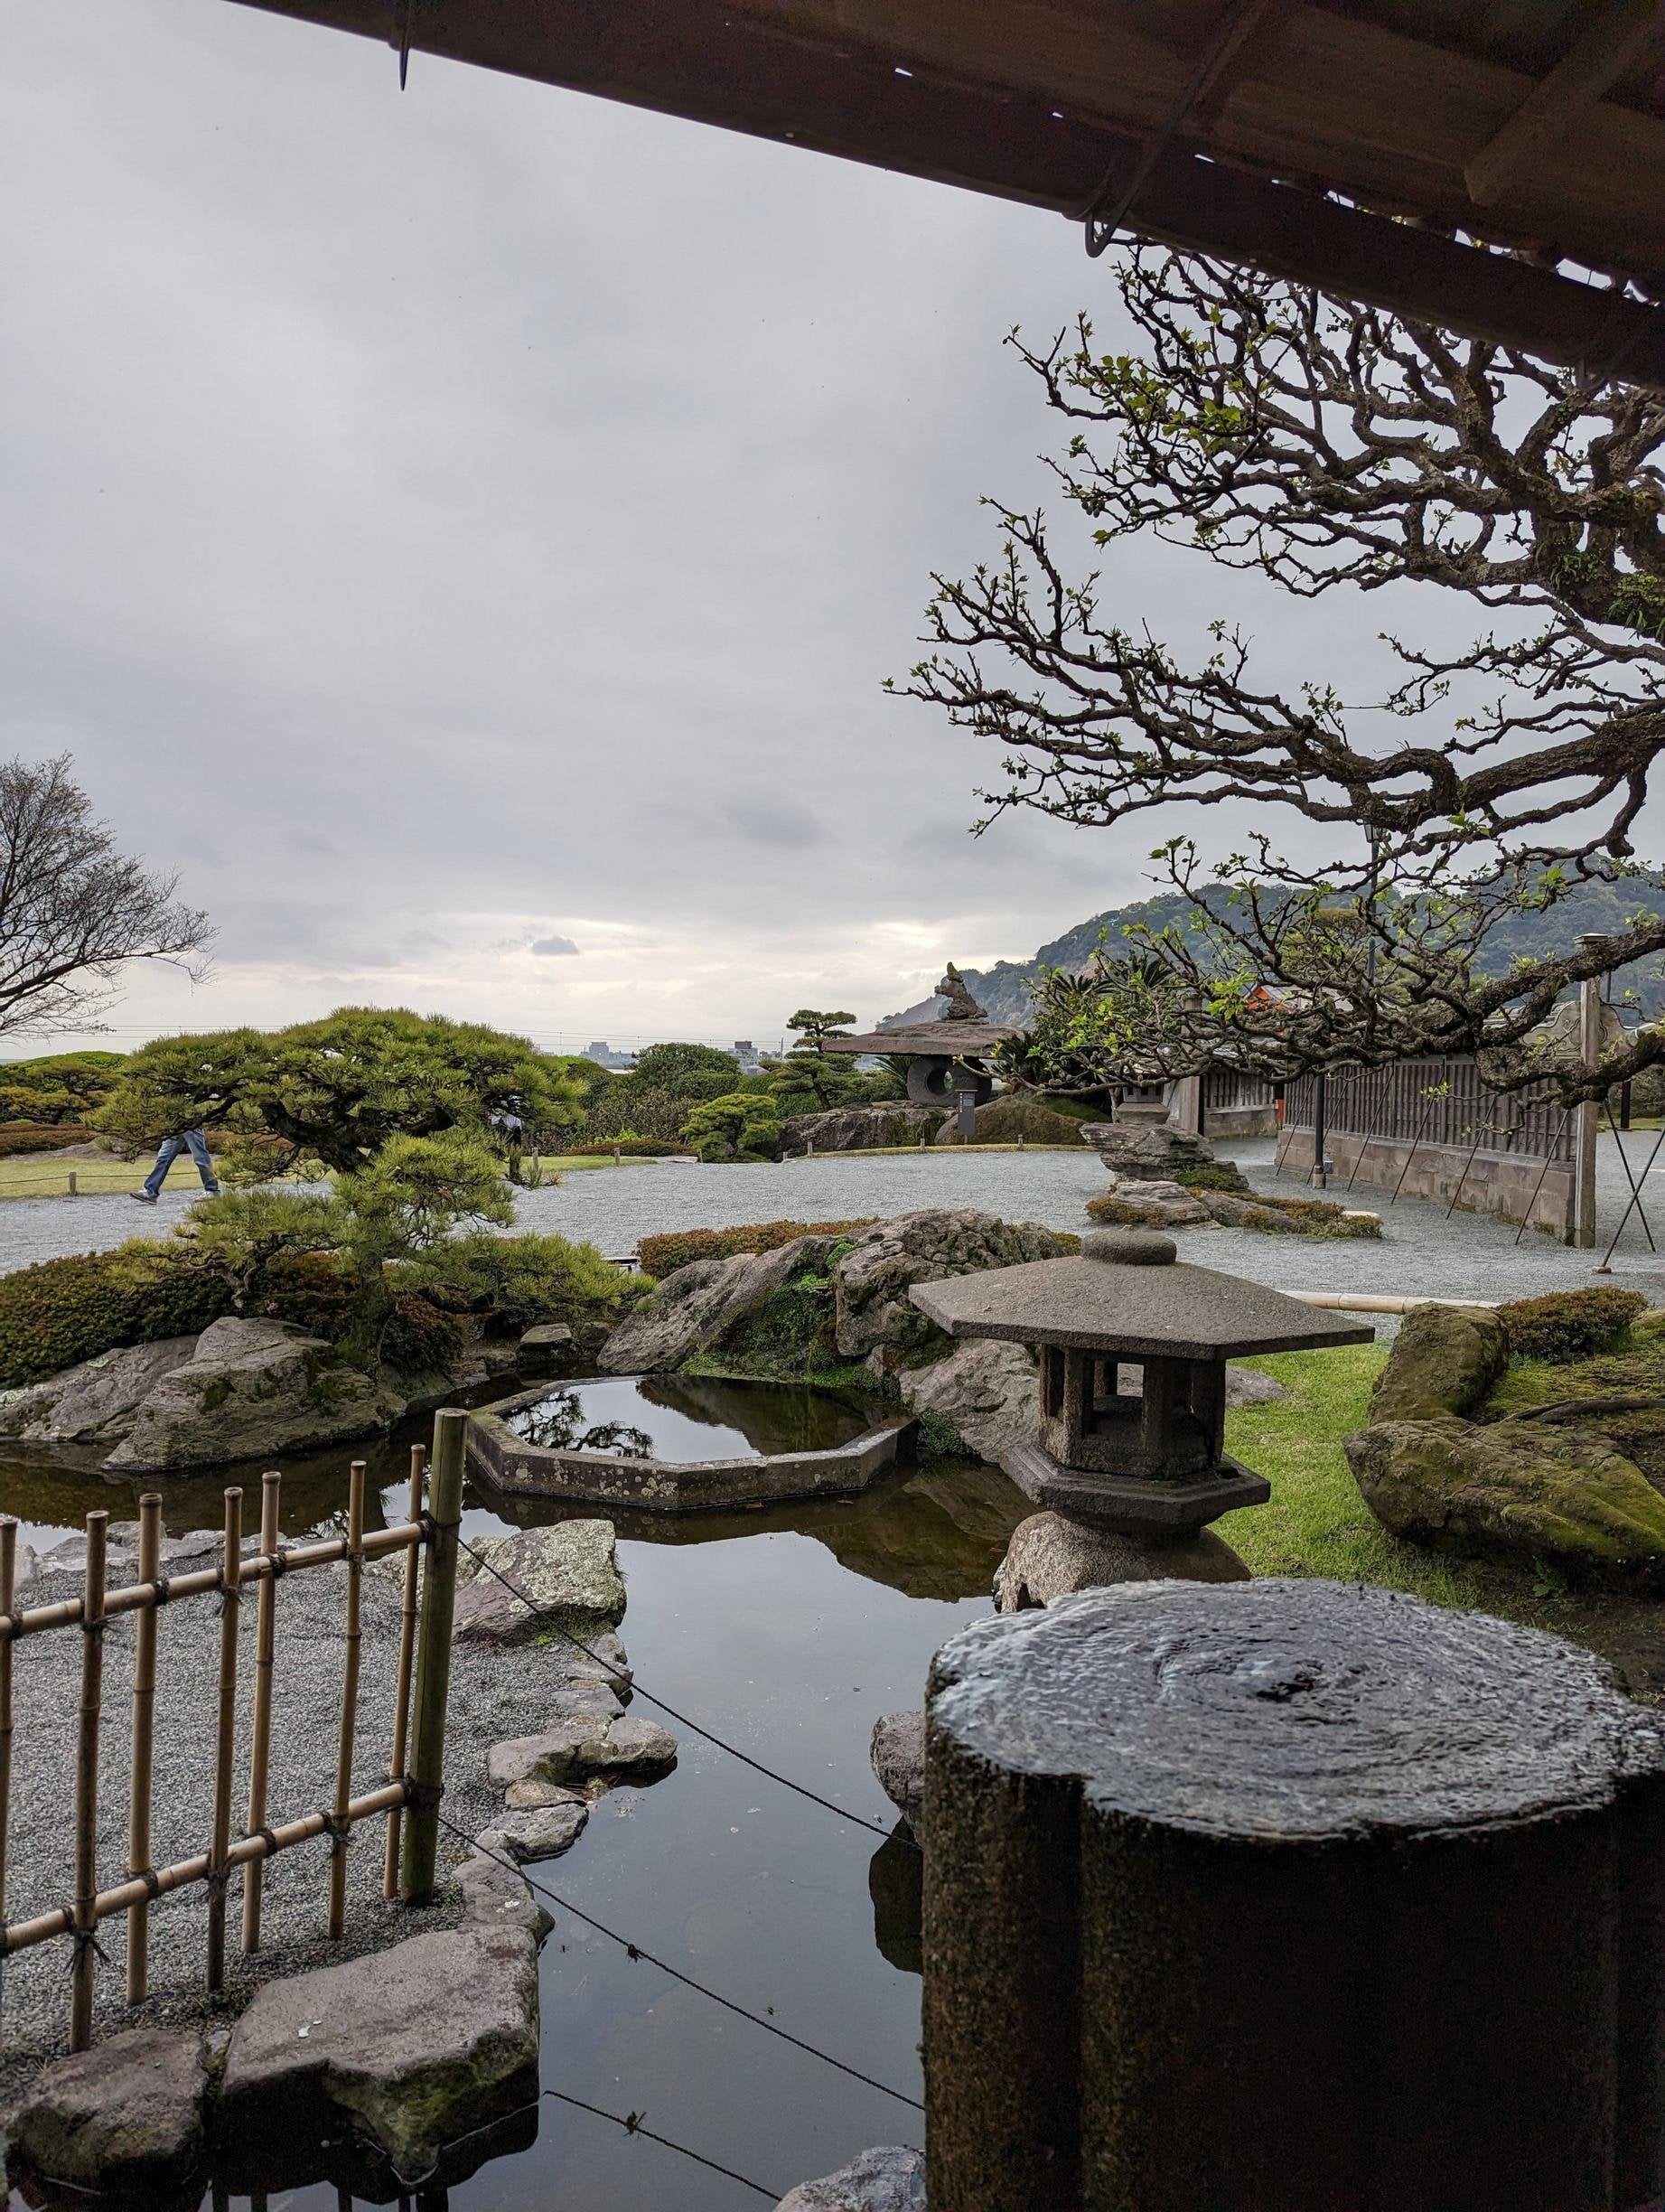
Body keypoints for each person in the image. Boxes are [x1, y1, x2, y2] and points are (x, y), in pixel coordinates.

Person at [131, 1128, 220, 1204]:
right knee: (163, 1157)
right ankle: (150, 1191)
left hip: (190, 1122)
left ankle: (212, 1190)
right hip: (173, 1124)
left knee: (200, 1157)